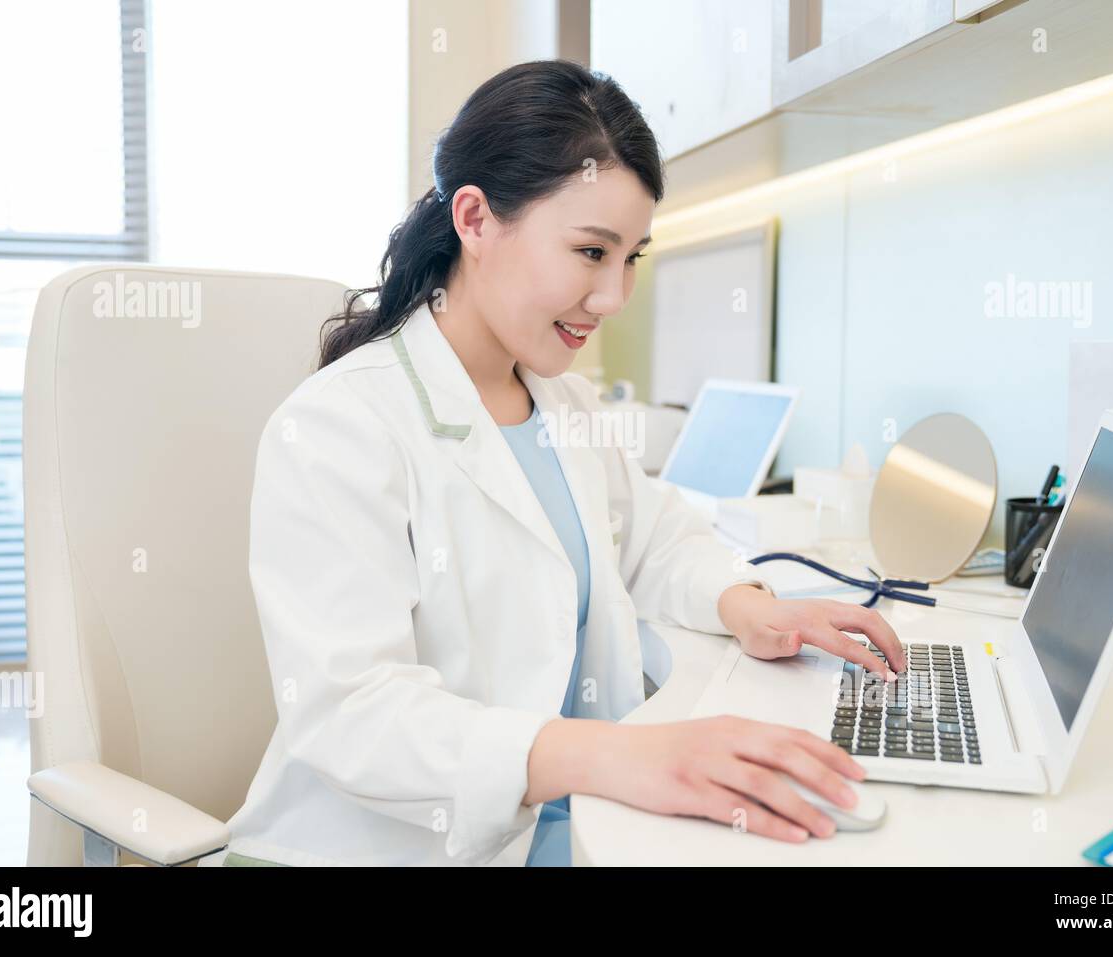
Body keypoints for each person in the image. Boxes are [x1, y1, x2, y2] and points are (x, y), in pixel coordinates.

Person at [203, 59, 905, 868]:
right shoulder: (338, 426)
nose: (613, 296)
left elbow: (653, 538)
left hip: (557, 829)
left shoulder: (564, 408)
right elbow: (353, 714)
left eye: (632, 256)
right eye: (589, 251)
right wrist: (615, 755)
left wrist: (749, 603)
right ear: (474, 218)